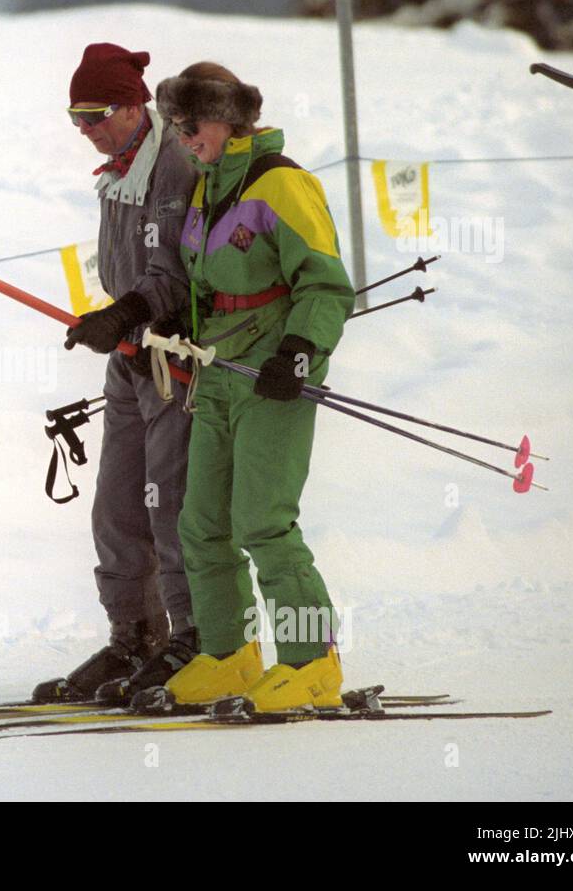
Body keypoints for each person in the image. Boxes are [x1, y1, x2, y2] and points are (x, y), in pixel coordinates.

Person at [139, 61, 355, 713]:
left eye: (193, 124)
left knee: (264, 522)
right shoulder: (209, 188)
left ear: (231, 120)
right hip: (220, 370)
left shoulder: (282, 185)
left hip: (273, 371)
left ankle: (310, 661)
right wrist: (178, 324)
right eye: (176, 127)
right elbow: (211, 281)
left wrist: (299, 351)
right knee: (202, 523)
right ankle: (231, 656)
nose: (185, 137)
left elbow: (324, 281)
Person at [33, 43, 199, 705]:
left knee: (170, 504)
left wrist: (124, 313)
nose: (85, 128)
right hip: (129, 357)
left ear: (135, 106)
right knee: (116, 505)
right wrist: (112, 320)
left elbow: (171, 278)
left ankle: (193, 638)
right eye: (75, 115)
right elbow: (127, 271)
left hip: (171, 359)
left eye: (95, 113)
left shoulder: (173, 166)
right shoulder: (118, 171)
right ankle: (134, 637)